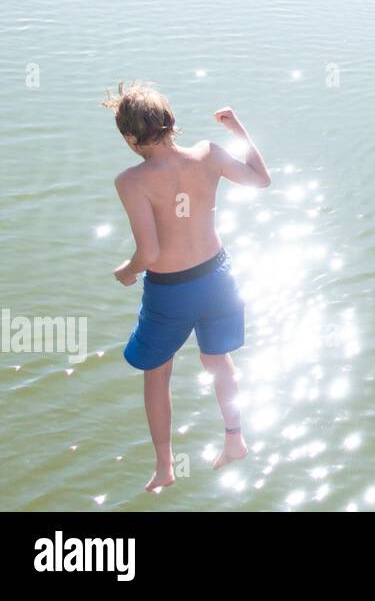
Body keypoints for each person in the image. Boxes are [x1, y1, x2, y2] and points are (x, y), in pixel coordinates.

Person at [102, 82, 271, 491]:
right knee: (218, 361)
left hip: (171, 291)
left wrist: (126, 271)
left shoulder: (132, 181)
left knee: (156, 375)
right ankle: (235, 440)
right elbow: (261, 180)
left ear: (129, 137)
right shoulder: (209, 154)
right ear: (170, 123)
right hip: (218, 278)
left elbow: (150, 251)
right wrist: (238, 130)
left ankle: (165, 467)